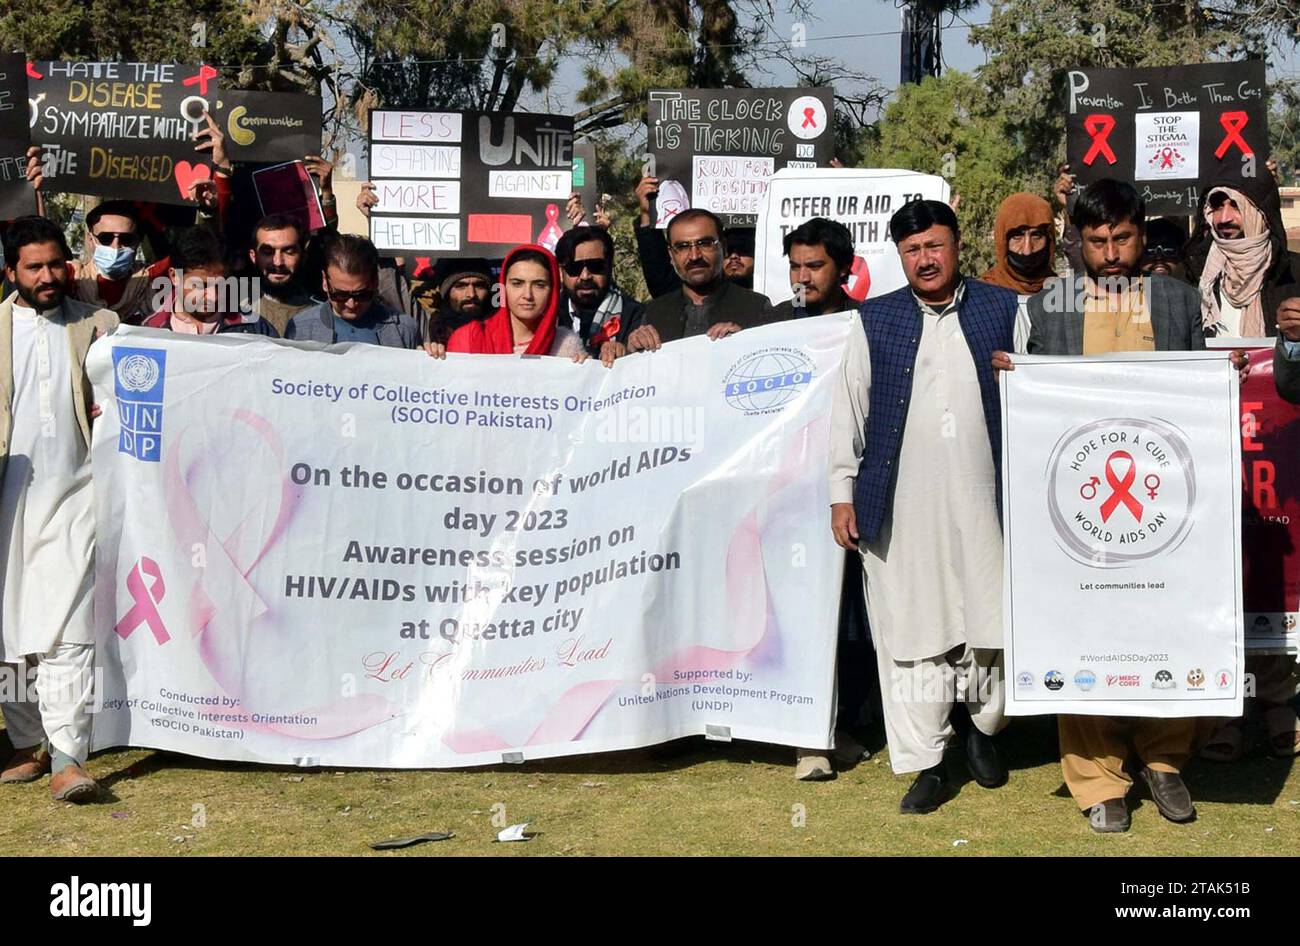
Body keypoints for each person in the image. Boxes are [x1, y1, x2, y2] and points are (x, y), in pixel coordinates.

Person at [993, 179, 1221, 833]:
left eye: (1123, 237)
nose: (1113, 252)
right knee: (1084, 630)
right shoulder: (1047, 307)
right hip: (1080, 510)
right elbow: (1029, 410)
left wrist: (1219, 385)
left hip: (1163, 506)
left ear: (1141, 234)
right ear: (1079, 243)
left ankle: (1167, 761)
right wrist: (1014, 380)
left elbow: (1198, 402)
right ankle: (1098, 779)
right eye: (1098, 241)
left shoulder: (1177, 301)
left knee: (1165, 626)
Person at [829, 199, 1017, 814]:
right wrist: (840, 494)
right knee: (912, 631)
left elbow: (1034, 393)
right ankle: (928, 762)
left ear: (958, 245)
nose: (925, 259)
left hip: (989, 502)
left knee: (991, 622)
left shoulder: (1002, 308)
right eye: (912, 250)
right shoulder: (874, 319)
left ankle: (984, 731)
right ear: (900, 256)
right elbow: (848, 413)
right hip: (900, 509)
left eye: (935, 246)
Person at [0, 217, 119, 802]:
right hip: (8, 503)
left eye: (56, 263)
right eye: (34, 267)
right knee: (11, 628)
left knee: (70, 627)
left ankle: (69, 756)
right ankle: (27, 742)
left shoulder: (102, 325)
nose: (49, 276)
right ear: (10, 272)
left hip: (78, 495)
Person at [1183, 170, 1300, 760]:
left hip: (1280, 456)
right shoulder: (1192, 281)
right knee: (1217, 579)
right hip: (1207, 455)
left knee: (1275, 573)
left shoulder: (1294, 278)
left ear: (1258, 213)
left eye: (1234, 209)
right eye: (1214, 210)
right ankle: (1225, 707)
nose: (1223, 220)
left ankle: (1278, 701)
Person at [626, 209, 772, 354]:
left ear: (724, 247)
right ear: (671, 254)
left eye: (704, 243)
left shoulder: (756, 308)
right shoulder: (655, 313)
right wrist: (632, 352)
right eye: (682, 247)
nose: (694, 256)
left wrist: (748, 345)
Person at [423, 245, 590, 362]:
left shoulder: (566, 346)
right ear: (503, 287)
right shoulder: (467, 338)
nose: (528, 295)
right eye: (517, 283)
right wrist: (428, 364)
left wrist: (589, 372)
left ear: (553, 291)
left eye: (539, 285)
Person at [1185, 170, 1300, 339]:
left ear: (1261, 213)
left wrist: (1293, 340)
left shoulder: (1293, 273)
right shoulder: (1194, 274)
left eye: (1236, 205)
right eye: (1217, 206)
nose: (1224, 218)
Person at [285, 234, 419, 348]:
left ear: (375, 282)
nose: (351, 304)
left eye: (361, 295)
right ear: (325, 282)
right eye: (340, 295)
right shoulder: (300, 328)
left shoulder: (404, 329)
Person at [142, 227, 278, 336]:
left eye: (221, 285)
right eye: (202, 285)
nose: (213, 296)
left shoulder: (256, 330)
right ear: (175, 277)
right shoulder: (149, 334)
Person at [68, 201, 170, 325]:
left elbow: (187, 254)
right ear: (90, 239)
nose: (116, 246)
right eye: (106, 238)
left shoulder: (151, 280)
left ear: (138, 241)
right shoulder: (73, 277)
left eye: (126, 239)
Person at [979, 193, 1056, 352]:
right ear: (1003, 240)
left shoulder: (1063, 296)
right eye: (1017, 237)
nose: (1027, 250)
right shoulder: (981, 295)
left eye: (1037, 236)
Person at [554, 226, 645, 356]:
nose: (585, 276)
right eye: (574, 268)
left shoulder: (635, 317)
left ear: (609, 266)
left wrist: (627, 351)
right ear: (560, 271)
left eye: (596, 266)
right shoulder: (547, 317)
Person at [245, 214, 319, 336]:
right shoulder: (234, 307)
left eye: (288, 252)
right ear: (253, 256)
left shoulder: (322, 315)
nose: (278, 262)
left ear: (303, 256)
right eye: (268, 252)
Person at [769, 217, 855, 321]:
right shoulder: (771, 321)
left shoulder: (866, 321)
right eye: (795, 267)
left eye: (814, 266)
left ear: (843, 268)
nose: (802, 278)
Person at [426, 258, 494, 345]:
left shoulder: (501, 331)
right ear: (446, 293)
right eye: (461, 286)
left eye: (479, 286)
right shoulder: (428, 331)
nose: (471, 294)